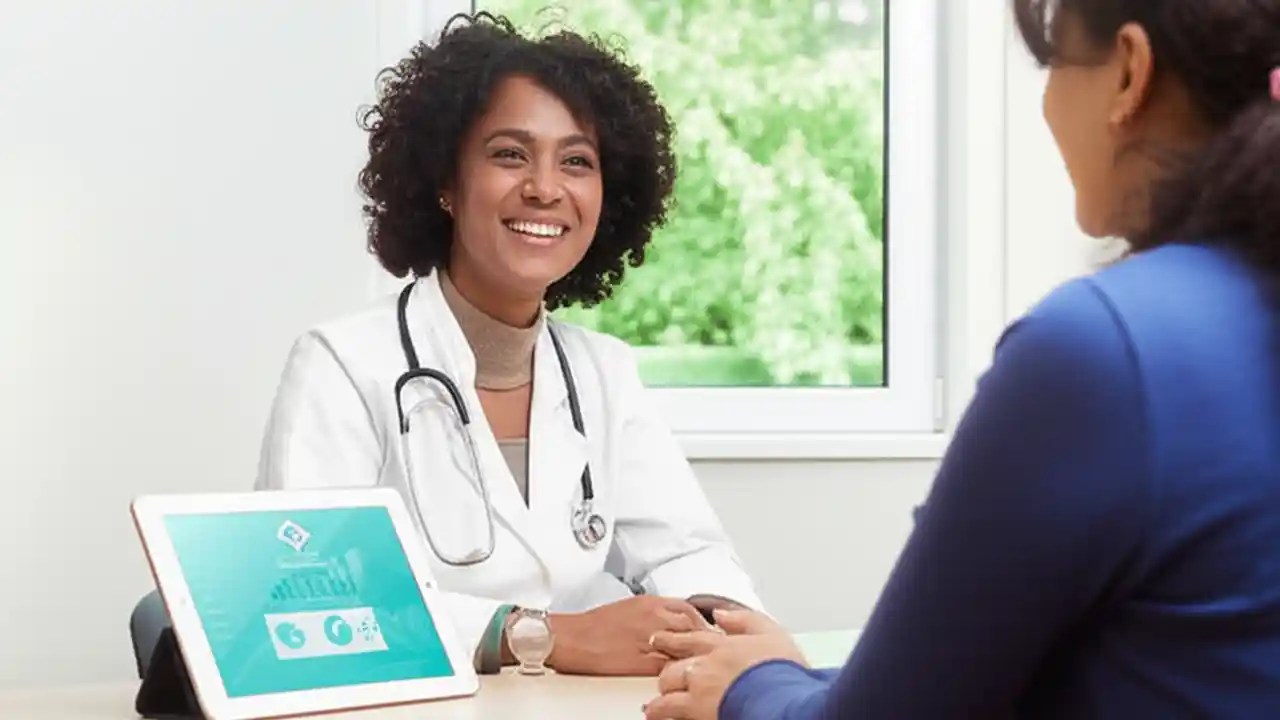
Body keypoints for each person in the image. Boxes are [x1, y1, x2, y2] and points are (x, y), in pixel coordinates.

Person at [643, 0, 1280, 717]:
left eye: (1054, 66)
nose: (1048, 105)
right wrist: (798, 677)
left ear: (1129, 73)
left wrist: (747, 689)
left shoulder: (1106, 349)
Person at [255, 12, 761, 677]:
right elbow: (308, 592)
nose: (545, 189)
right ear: (445, 182)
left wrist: (723, 629)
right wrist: (542, 637)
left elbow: (686, 552)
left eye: (576, 162)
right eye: (509, 154)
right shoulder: (344, 365)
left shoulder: (603, 372)